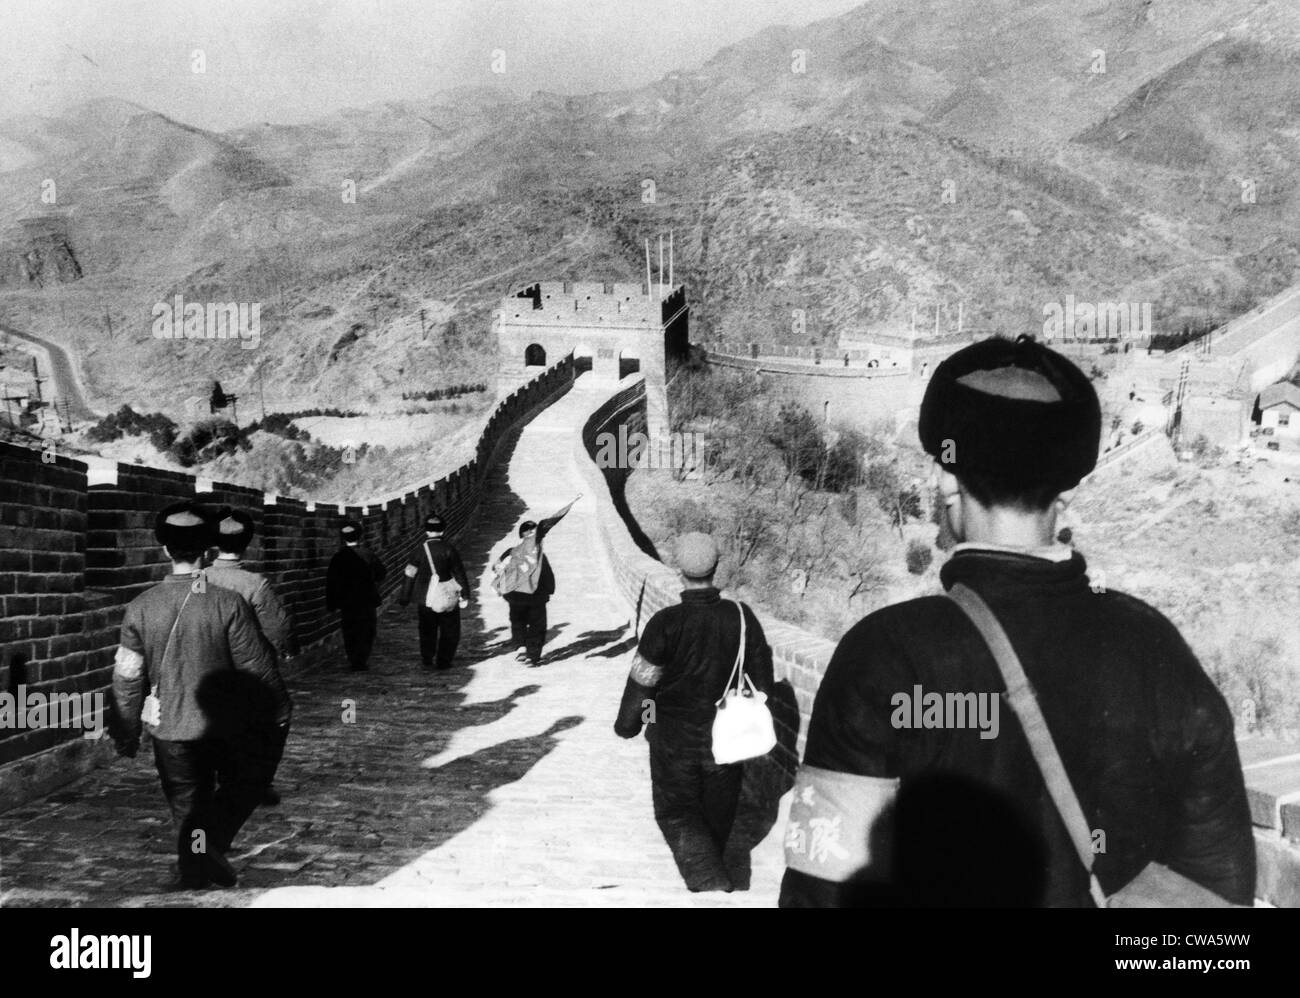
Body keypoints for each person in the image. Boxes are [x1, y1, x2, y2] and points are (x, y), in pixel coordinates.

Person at [779, 335, 1256, 907]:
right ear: (1065, 487)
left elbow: (824, 894)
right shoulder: (1156, 647)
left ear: (946, 480)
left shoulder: (885, 656)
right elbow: (1218, 897)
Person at [109, 502, 291, 890]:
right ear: (207, 550)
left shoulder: (139, 608)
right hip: (224, 725)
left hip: (170, 727)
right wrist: (278, 711)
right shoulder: (228, 603)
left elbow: (127, 677)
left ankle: (195, 863)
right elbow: (256, 668)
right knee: (246, 781)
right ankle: (205, 853)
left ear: (164, 549)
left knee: (187, 802)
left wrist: (126, 730)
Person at [614, 532, 774, 893]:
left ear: (677, 570)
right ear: (716, 568)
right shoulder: (741, 618)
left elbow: (645, 684)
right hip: (728, 740)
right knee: (718, 812)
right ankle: (712, 868)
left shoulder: (665, 623)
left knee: (676, 811)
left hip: (672, 740)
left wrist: (633, 723)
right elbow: (763, 684)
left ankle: (709, 881)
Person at [206, 507, 296, 806]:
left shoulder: (199, 579)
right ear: (249, 542)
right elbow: (278, 627)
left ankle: (222, 775)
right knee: (279, 713)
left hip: (207, 665)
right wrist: (287, 649)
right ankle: (258, 780)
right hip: (250, 670)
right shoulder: (255, 583)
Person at [494, 496, 578, 666]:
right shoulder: (539, 554)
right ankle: (532, 656)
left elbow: (497, 569)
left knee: (517, 621)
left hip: (514, 596)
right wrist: (548, 591)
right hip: (535, 597)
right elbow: (547, 576)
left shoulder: (511, 552)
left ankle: (520, 649)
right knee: (536, 625)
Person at [399, 513, 470, 670]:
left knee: (426, 629)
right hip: (446, 596)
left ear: (426, 531)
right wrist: (465, 594)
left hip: (425, 598)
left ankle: (427, 657)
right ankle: (444, 660)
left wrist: (405, 596)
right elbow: (459, 573)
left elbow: (409, 574)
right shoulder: (449, 549)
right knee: (450, 629)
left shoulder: (418, 551)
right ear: (443, 531)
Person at [325, 520, 387, 672]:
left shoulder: (338, 557)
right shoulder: (368, 554)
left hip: (348, 602)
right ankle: (362, 659)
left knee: (350, 630)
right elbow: (381, 573)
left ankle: (353, 659)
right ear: (360, 536)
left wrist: (331, 603)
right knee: (367, 630)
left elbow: (331, 582)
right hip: (366, 600)